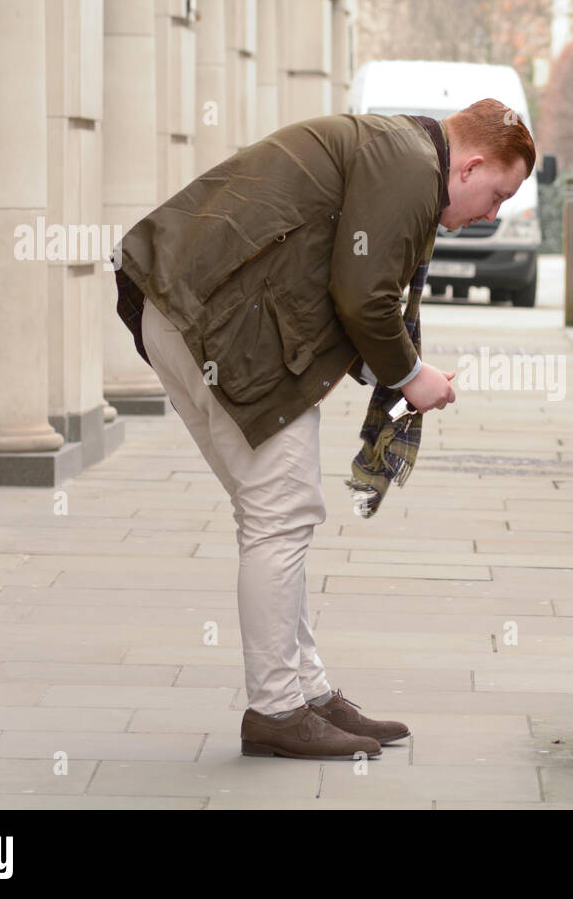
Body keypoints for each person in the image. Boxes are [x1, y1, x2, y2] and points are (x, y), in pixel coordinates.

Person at [111, 99, 536, 760]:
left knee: (275, 515)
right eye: (496, 194)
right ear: (472, 164)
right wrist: (411, 375)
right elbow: (364, 293)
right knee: (279, 516)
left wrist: (400, 367)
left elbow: (346, 281)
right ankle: (278, 708)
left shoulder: (400, 152)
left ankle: (305, 692)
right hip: (217, 328)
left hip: (194, 316)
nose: (492, 213)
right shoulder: (408, 164)